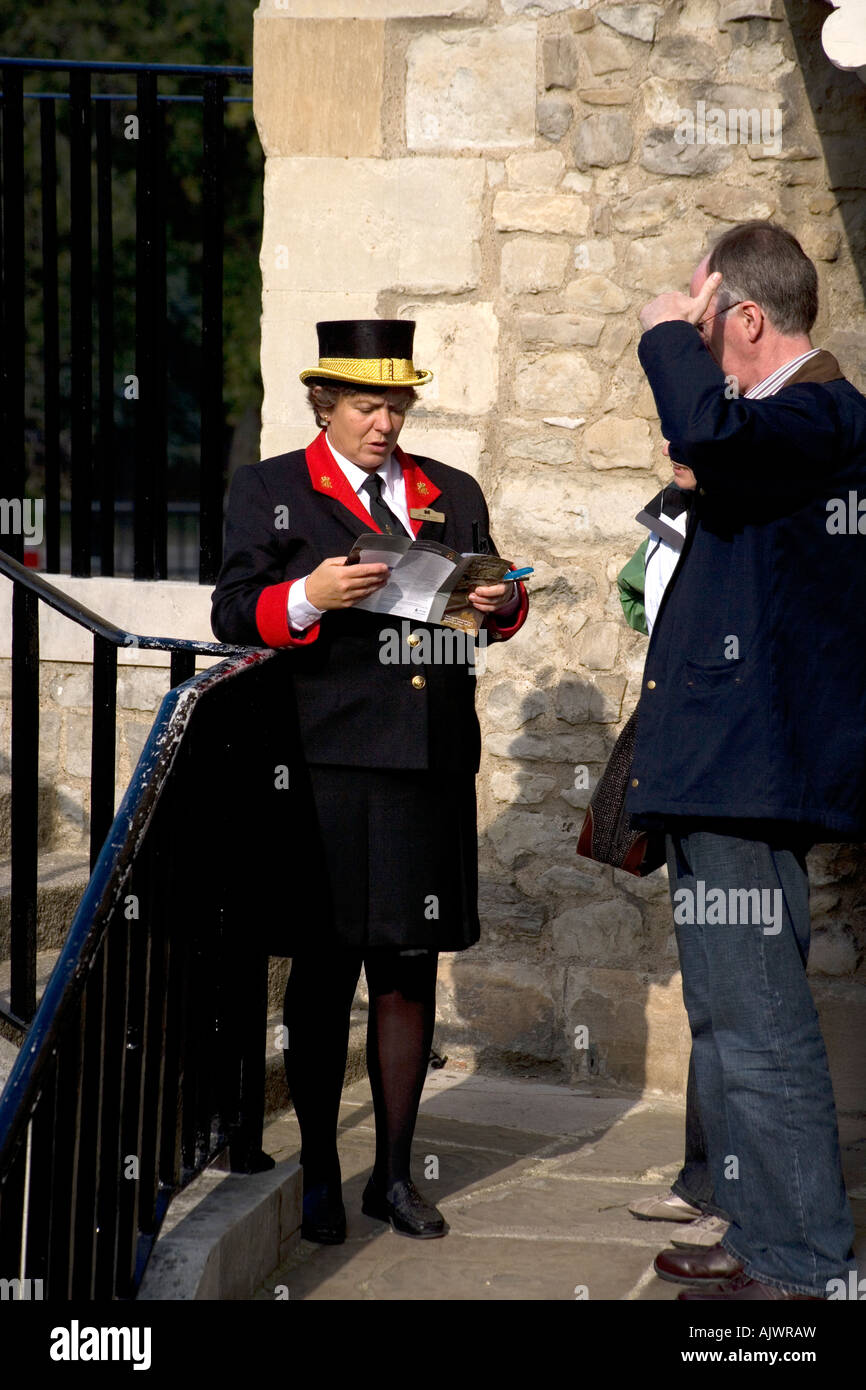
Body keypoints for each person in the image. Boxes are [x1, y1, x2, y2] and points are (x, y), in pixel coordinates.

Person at [210, 319, 528, 1243]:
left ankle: (393, 1174)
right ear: (325, 404)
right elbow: (234, 611)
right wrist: (311, 595)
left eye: (396, 405)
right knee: (323, 970)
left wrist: (501, 601)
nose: (384, 423)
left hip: (426, 760)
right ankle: (317, 1165)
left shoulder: (449, 491)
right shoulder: (272, 488)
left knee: (407, 968)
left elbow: (492, 601)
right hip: (325, 764)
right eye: (365, 406)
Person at [627, 220, 863, 1300]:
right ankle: (756, 1227)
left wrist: (664, 340)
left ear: (743, 317)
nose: (691, 329)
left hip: (747, 772)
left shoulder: (818, 409)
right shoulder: (784, 428)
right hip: (716, 769)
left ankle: (801, 1260)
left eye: (702, 312)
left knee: (759, 1025)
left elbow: (710, 437)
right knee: (725, 1023)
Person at [617, 455, 731, 1252]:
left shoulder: (756, 504)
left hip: (735, 772)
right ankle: (707, 1179)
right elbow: (638, 598)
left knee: (742, 1002)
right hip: (685, 763)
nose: (673, 449)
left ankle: (740, 1191)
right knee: (712, 995)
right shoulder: (677, 502)